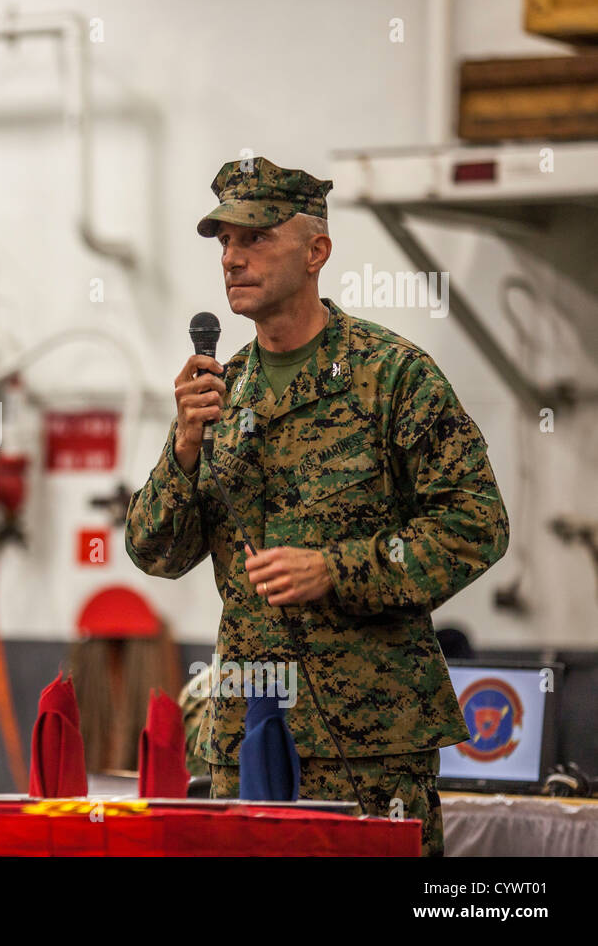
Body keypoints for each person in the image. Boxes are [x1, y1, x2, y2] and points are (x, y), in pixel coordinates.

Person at [124, 156, 511, 856]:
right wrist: (183, 448)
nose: (234, 259)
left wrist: (338, 570)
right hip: (248, 731)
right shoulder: (221, 391)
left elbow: (477, 525)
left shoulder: (392, 376)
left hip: (370, 738)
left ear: (317, 251)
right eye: (224, 243)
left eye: (256, 238)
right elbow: (155, 551)